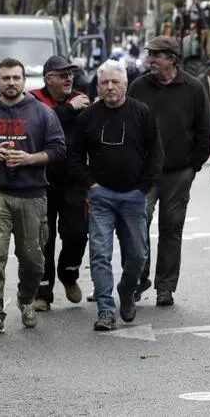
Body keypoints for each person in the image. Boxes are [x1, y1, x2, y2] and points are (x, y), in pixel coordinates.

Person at [0, 58, 67, 335]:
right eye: (6, 78)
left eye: (16, 78)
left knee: (34, 261)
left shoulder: (42, 113)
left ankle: (25, 299)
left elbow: (58, 150)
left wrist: (30, 158)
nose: (11, 83)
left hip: (33, 195)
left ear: (24, 81)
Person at [70, 60, 163, 331]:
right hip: (101, 197)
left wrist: (144, 187)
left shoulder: (142, 113)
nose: (110, 87)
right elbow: (75, 157)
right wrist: (91, 185)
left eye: (115, 82)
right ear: (98, 85)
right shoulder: (88, 116)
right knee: (99, 253)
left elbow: (156, 154)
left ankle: (126, 289)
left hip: (135, 196)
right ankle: (106, 311)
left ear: (125, 84)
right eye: (104, 83)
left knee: (137, 255)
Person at [128, 35, 210, 307]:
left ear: (172, 59)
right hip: (144, 173)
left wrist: (193, 166)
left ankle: (165, 287)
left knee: (171, 229)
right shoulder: (139, 87)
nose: (150, 60)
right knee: (139, 224)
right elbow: (126, 124)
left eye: (156, 55)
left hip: (178, 172)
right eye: (149, 55)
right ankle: (140, 279)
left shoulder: (194, 88)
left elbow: (205, 130)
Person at [30, 56, 90, 311]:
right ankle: (42, 292)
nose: (68, 78)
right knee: (43, 237)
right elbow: (38, 126)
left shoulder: (82, 100)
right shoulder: (33, 100)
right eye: (62, 74)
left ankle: (69, 275)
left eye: (71, 74)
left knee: (77, 233)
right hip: (41, 180)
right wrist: (68, 110)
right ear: (48, 79)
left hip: (75, 181)